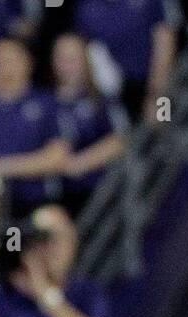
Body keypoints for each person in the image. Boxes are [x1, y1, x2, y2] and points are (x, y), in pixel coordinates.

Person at [0, 35, 69, 217]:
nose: (3, 65)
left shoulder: (47, 104)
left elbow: (58, 157)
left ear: (28, 62)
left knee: (23, 239)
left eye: (10, 58)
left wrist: (3, 167)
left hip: (34, 203)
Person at [51, 32, 127, 215]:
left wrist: (79, 163)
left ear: (86, 60)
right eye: (61, 58)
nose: (66, 66)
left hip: (97, 189)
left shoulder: (99, 99)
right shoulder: (46, 102)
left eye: (73, 59)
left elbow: (120, 140)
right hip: (58, 192)